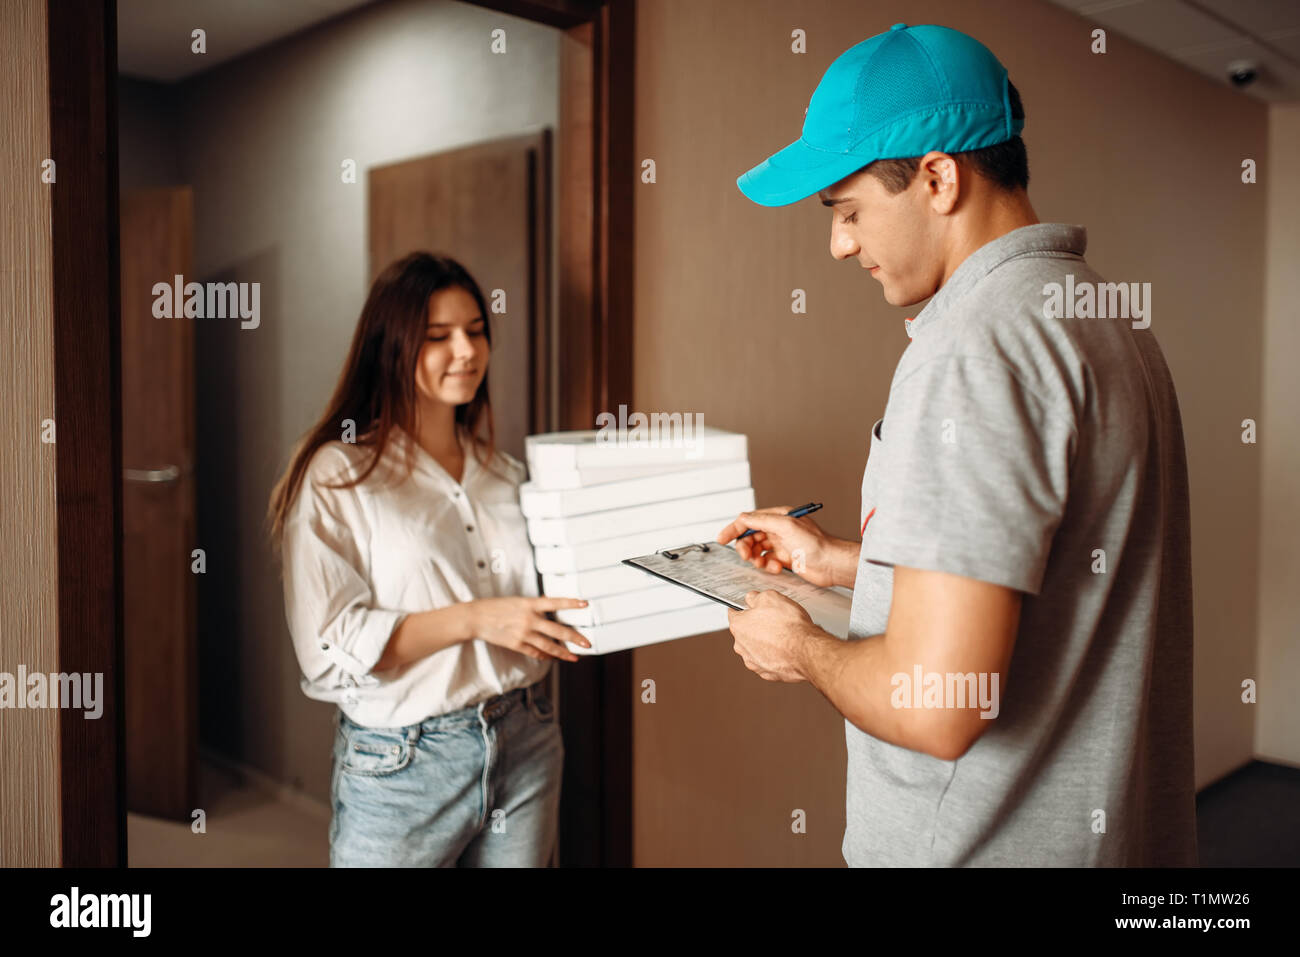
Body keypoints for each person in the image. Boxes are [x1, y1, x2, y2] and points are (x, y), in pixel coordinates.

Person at [716, 23, 1196, 866]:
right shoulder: (1101, 314)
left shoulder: (972, 349)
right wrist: (839, 562)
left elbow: (938, 702)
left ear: (938, 177)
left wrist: (798, 647)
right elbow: (1049, 571)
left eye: (849, 210)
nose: (840, 244)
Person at [267, 251, 590, 867]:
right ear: (391, 347)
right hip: (403, 760)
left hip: (526, 736)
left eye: (475, 330)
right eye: (438, 337)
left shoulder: (507, 474)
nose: (465, 351)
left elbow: (557, 594)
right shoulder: (340, 475)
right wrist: (476, 618)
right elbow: (331, 646)